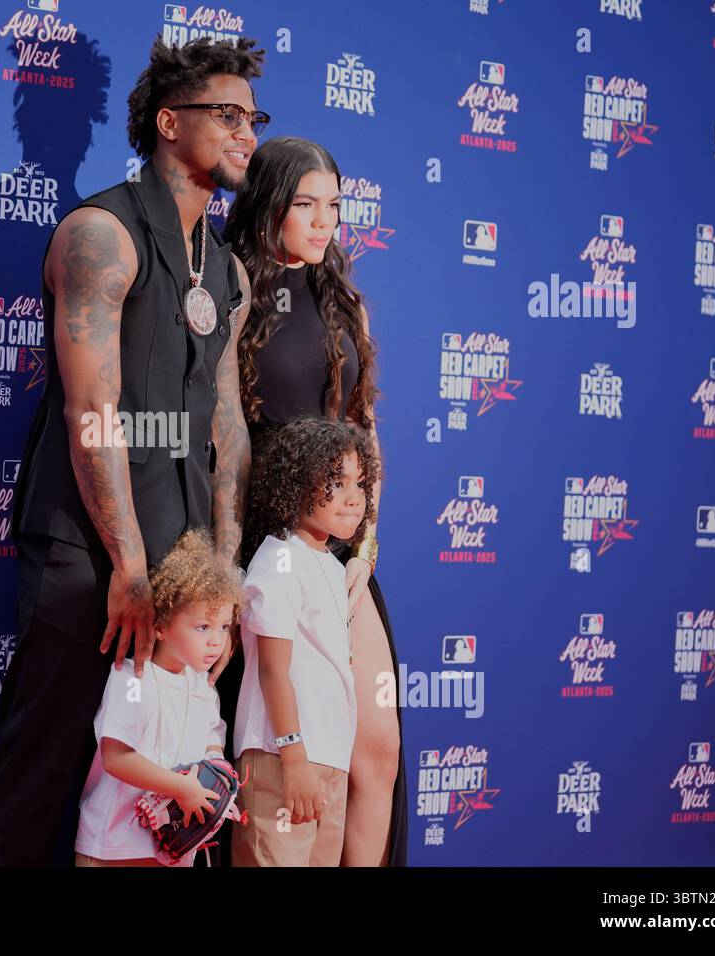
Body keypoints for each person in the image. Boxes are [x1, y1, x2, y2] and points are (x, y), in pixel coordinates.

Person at [0, 35, 266, 866]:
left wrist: (224, 571)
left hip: (180, 561)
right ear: (170, 123)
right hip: (88, 548)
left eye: (254, 118)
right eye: (228, 115)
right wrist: (128, 566)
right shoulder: (100, 233)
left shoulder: (229, 271)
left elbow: (228, 427)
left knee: (163, 783)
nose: (248, 133)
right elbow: (90, 411)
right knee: (42, 763)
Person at [222, 136, 407, 867]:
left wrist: (364, 542)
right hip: (270, 554)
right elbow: (217, 431)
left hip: (346, 555)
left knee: (378, 749)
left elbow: (363, 428)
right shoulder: (229, 283)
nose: (325, 220)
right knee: (284, 766)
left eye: (334, 204)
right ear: (268, 202)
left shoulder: (340, 297)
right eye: (306, 204)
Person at [231, 418, 380, 866]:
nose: (354, 497)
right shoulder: (280, 560)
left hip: (327, 766)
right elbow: (274, 671)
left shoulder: (334, 569)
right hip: (282, 762)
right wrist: (294, 759)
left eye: (360, 482)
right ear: (295, 484)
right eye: (336, 483)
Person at [74, 528, 240, 867]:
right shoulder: (133, 676)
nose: (216, 641)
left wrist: (215, 783)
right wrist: (182, 788)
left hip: (173, 848)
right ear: (161, 625)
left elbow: (212, 742)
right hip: (114, 846)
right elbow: (117, 758)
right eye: (203, 627)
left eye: (224, 627)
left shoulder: (203, 687)